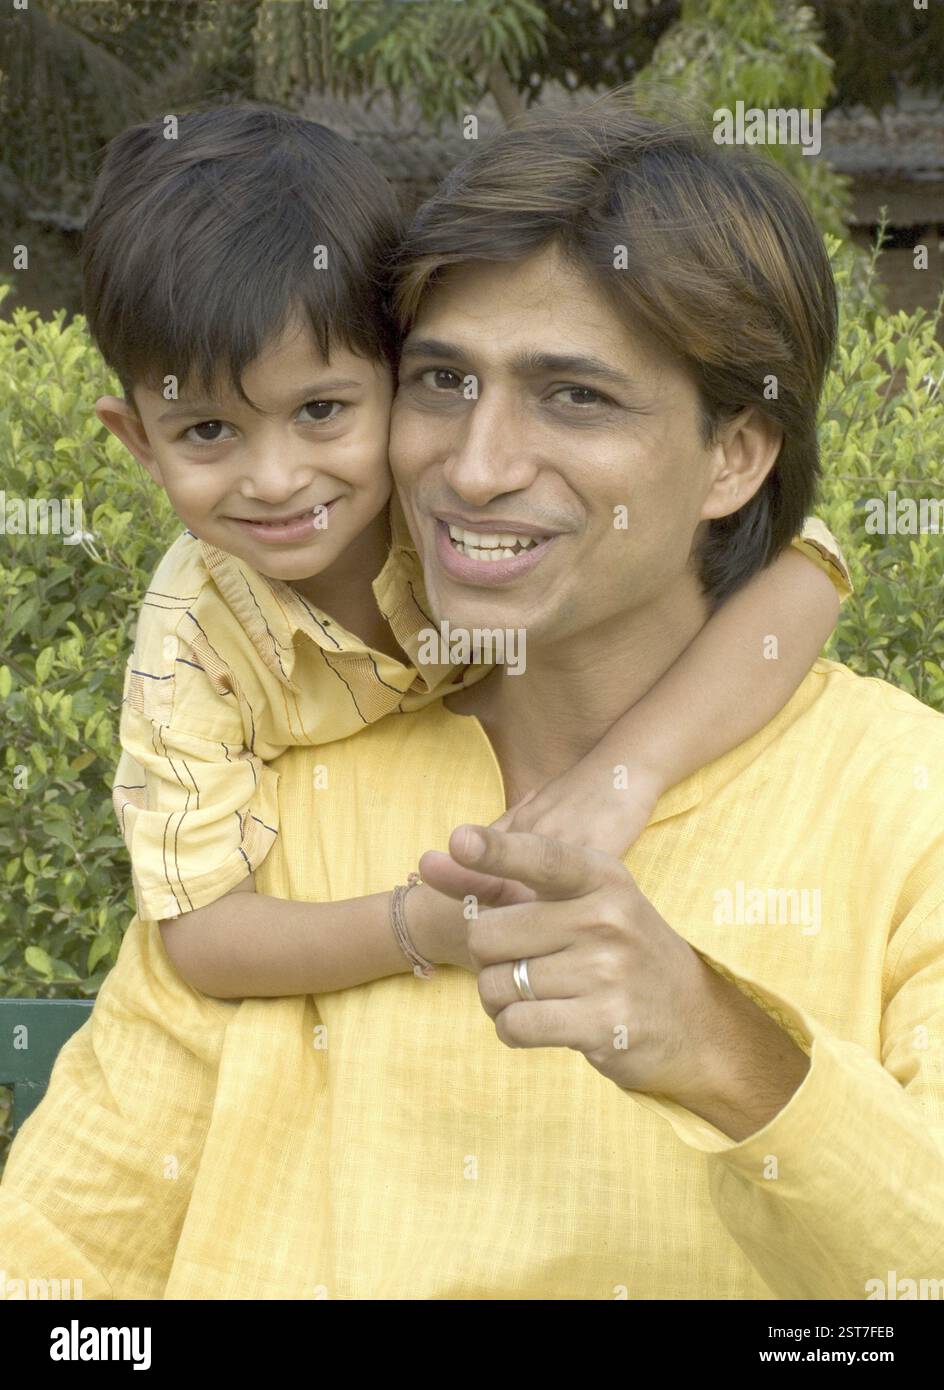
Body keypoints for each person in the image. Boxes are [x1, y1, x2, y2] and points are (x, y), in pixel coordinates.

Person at [4, 99, 936, 1301]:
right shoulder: (278, 797)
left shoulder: (908, 809)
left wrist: (723, 1050)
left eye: (574, 397)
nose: (476, 467)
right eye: (442, 380)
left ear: (734, 455)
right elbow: (57, 1276)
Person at [87, 103, 845, 1001]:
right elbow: (202, 935)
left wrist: (622, 774)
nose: (280, 480)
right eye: (208, 429)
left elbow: (806, 570)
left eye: (322, 411)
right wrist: (424, 926)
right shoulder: (196, 645)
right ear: (139, 441)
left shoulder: (428, 505)